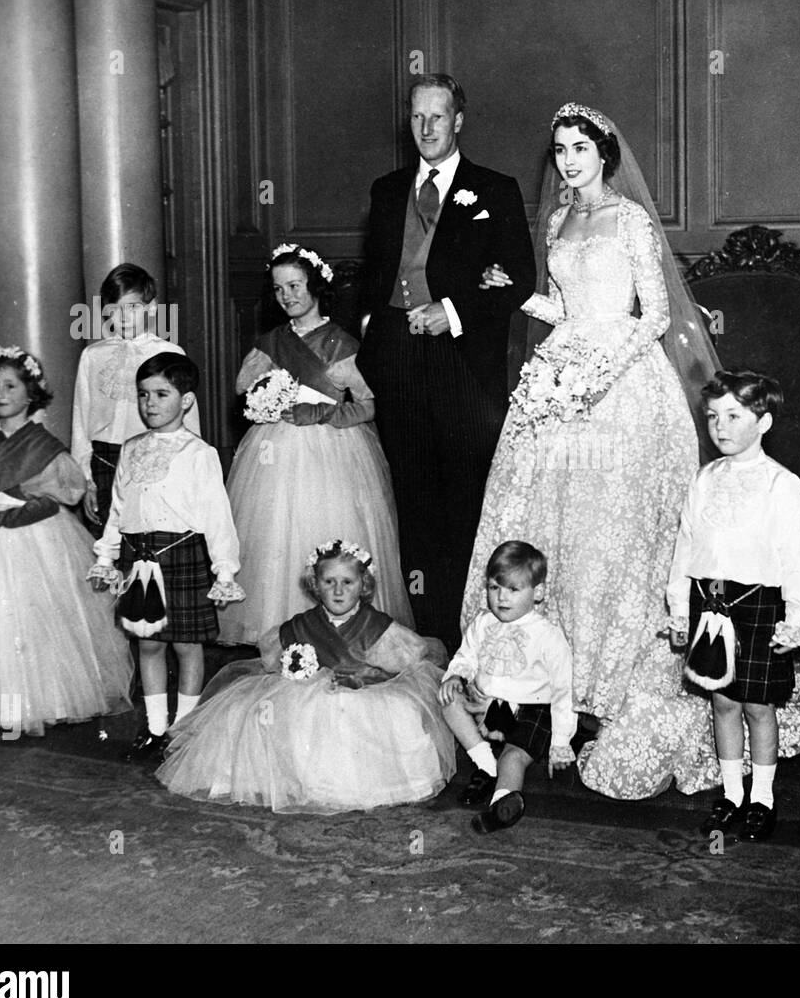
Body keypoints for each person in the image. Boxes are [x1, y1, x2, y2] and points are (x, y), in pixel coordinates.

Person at [471, 102, 723, 800]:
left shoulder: (631, 220)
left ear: (605, 154)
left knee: (611, 537)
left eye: (580, 147)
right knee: (555, 528)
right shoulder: (556, 222)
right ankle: (552, 682)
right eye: (559, 150)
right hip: (560, 374)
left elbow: (658, 316)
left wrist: (598, 374)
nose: (569, 160)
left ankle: (607, 685)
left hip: (623, 384)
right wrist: (520, 296)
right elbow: (563, 306)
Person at [357, 73, 537, 648]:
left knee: (463, 498)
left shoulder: (494, 189)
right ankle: (425, 631)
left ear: (458, 120)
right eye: (417, 117)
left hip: (461, 365)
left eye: (438, 116)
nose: (427, 128)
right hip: (397, 362)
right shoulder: (387, 190)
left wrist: (453, 310)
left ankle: (467, 636)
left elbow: (518, 280)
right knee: (409, 497)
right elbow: (371, 275)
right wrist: (370, 329)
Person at [0, 347, 131, 737]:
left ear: (30, 392)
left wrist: (15, 509)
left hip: (35, 536)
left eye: (10, 386)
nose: (0, 394)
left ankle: (47, 699)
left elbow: (63, 492)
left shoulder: (44, 444)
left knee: (38, 616)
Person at [157, 541, 455, 813]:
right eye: (329, 582)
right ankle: (291, 780)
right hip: (307, 692)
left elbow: (404, 664)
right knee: (265, 712)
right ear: (316, 585)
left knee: (393, 713)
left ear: (363, 586)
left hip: (363, 693)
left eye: (347, 583)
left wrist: (365, 678)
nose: (338, 591)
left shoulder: (377, 627)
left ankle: (347, 784)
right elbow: (275, 660)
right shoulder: (300, 626)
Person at [218, 243, 411, 644]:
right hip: (273, 452)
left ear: (317, 286)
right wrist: (267, 400)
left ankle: (340, 629)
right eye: (278, 289)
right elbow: (244, 391)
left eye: (295, 285)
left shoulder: (341, 344)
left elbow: (370, 406)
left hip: (333, 452)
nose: (287, 296)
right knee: (273, 533)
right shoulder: (269, 343)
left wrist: (322, 414)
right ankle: (279, 628)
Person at [668, 371, 800, 842]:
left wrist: (796, 618)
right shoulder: (705, 479)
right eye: (713, 416)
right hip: (709, 603)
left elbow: (798, 557)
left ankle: (763, 798)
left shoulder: (782, 484)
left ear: (764, 421)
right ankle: (732, 793)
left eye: (734, 416)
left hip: (759, 607)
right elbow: (685, 548)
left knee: (758, 706)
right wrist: (678, 608)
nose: (721, 426)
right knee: (723, 702)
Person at [90, 353, 244, 761]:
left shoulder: (199, 453)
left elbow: (217, 517)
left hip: (182, 555)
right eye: (143, 395)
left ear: (187, 400)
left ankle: (184, 729)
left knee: (186, 645)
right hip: (137, 557)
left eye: (161, 394)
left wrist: (223, 569)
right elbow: (118, 510)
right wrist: (106, 557)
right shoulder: (131, 448)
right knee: (148, 644)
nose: (150, 403)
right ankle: (157, 728)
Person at [439, 541, 574, 833]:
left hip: (531, 711)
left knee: (513, 758)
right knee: (448, 701)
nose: (501, 597)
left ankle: (501, 805)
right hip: (487, 706)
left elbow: (564, 691)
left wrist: (561, 741)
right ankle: (486, 763)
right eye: (494, 588)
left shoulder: (548, 635)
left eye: (513, 590)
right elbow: (466, 657)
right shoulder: (483, 622)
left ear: (537, 593)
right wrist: (456, 676)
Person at [71, 263, 201, 530]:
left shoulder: (170, 352)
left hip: (154, 456)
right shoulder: (93, 356)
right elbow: (80, 423)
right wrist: (85, 479)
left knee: (148, 537)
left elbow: (188, 419)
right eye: (115, 309)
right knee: (105, 542)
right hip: (104, 461)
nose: (123, 317)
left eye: (132, 308)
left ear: (151, 308)